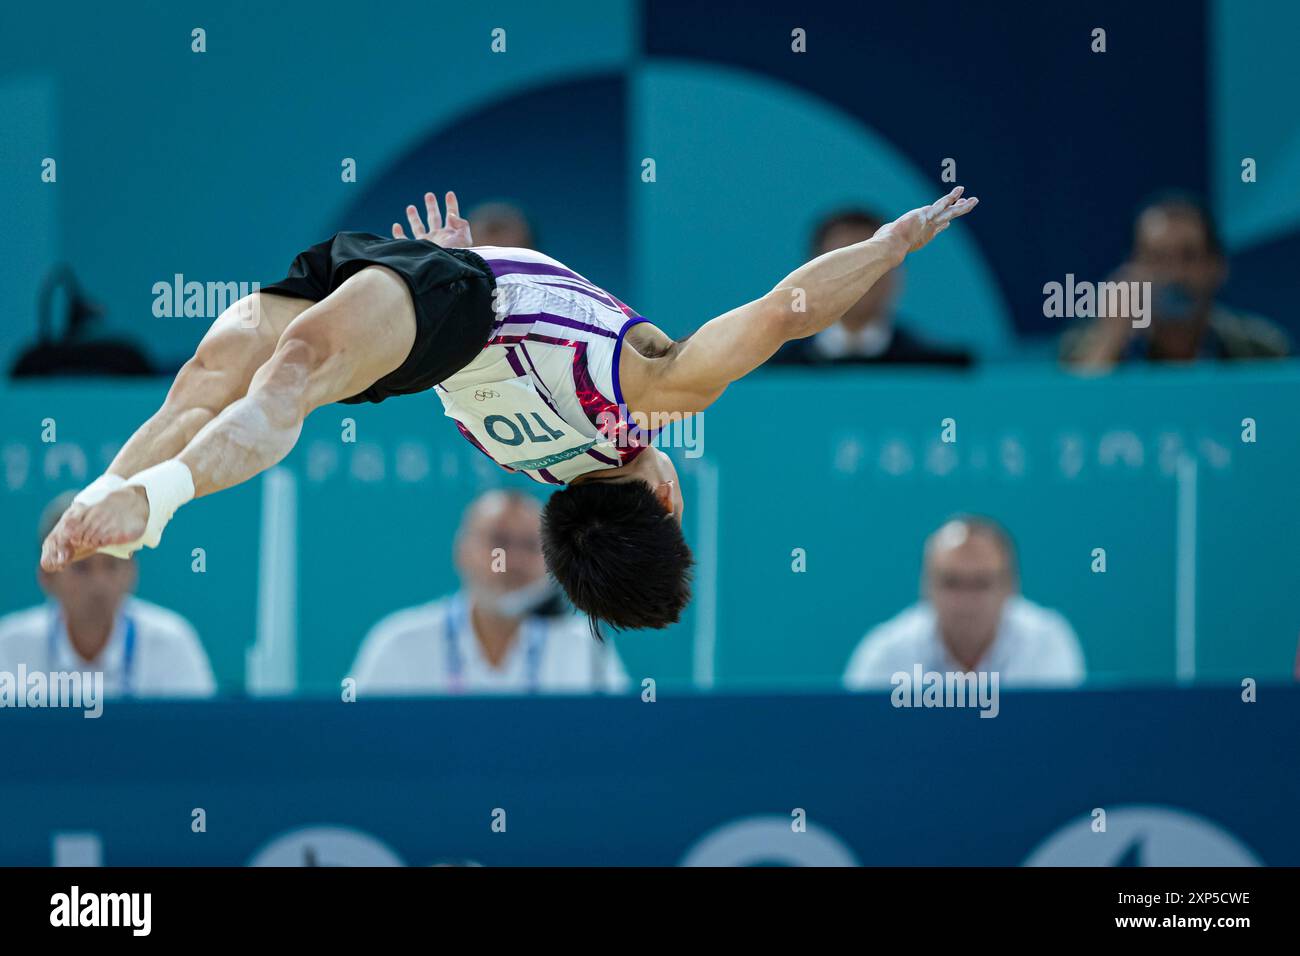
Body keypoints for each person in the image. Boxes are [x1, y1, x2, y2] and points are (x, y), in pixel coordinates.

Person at [40, 186, 979, 635]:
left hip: (439, 302)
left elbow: (786, 312)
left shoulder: (653, 393)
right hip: (426, 310)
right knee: (228, 367)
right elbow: (479, 374)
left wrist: (894, 244)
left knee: (269, 372)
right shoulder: (526, 465)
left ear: (665, 505)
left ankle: (149, 499)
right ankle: (112, 498)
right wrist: (448, 272)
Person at [351, 490, 627, 694]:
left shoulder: (585, 647)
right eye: (500, 541)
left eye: (531, 545)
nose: (514, 561)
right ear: (463, 552)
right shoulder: (399, 644)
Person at [0, 492, 215, 697]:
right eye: (81, 567)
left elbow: (202, 734)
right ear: (47, 576)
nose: (99, 583)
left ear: (131, 572)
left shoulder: (173, 645)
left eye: (112, 565)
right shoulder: (7, 647)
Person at [844, 516, 1084, 688]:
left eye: (981, 583)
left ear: (1010, 587)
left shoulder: (1047, 642)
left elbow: (1060, 740)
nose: (966, 601)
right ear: (926, 586)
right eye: (951, 582)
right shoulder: (885, 653)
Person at [1062, 193, 1290, 368]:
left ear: (1218, 267)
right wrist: (1110, 341)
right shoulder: (1083, 347)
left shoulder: (1261, 351)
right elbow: (1071, 419)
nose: (1174, 275)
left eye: (1188, 257)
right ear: (1132, 268)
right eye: (1157, 259)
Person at [770, 209, 972, 367]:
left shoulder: (939, 368)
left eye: (874, 263)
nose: (859, 276)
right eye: (842, 264)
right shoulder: (772, 373)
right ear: (809, 273)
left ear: (898, 271)